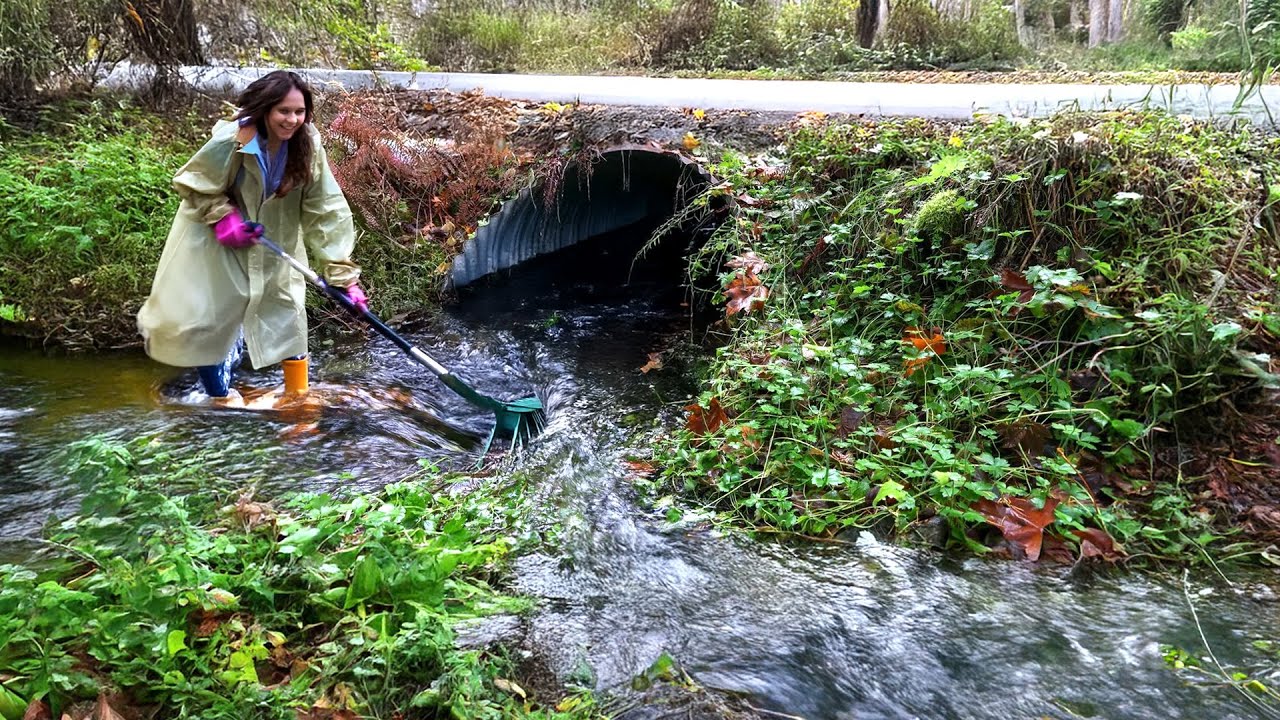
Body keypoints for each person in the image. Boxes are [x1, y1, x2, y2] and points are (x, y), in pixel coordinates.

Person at [137, 70, 368, 404]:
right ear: (265, 110)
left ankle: (297, 399)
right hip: (217, 238)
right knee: (210, 316)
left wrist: (343, 277)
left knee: (288, 310)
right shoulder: (233, 140)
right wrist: (223, 218)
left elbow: (325, 209)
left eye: (299, 112)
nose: (292, 120)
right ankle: (219, 400)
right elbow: (195, 183)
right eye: (283, 111)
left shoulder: (308, 145)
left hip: (275, 239)